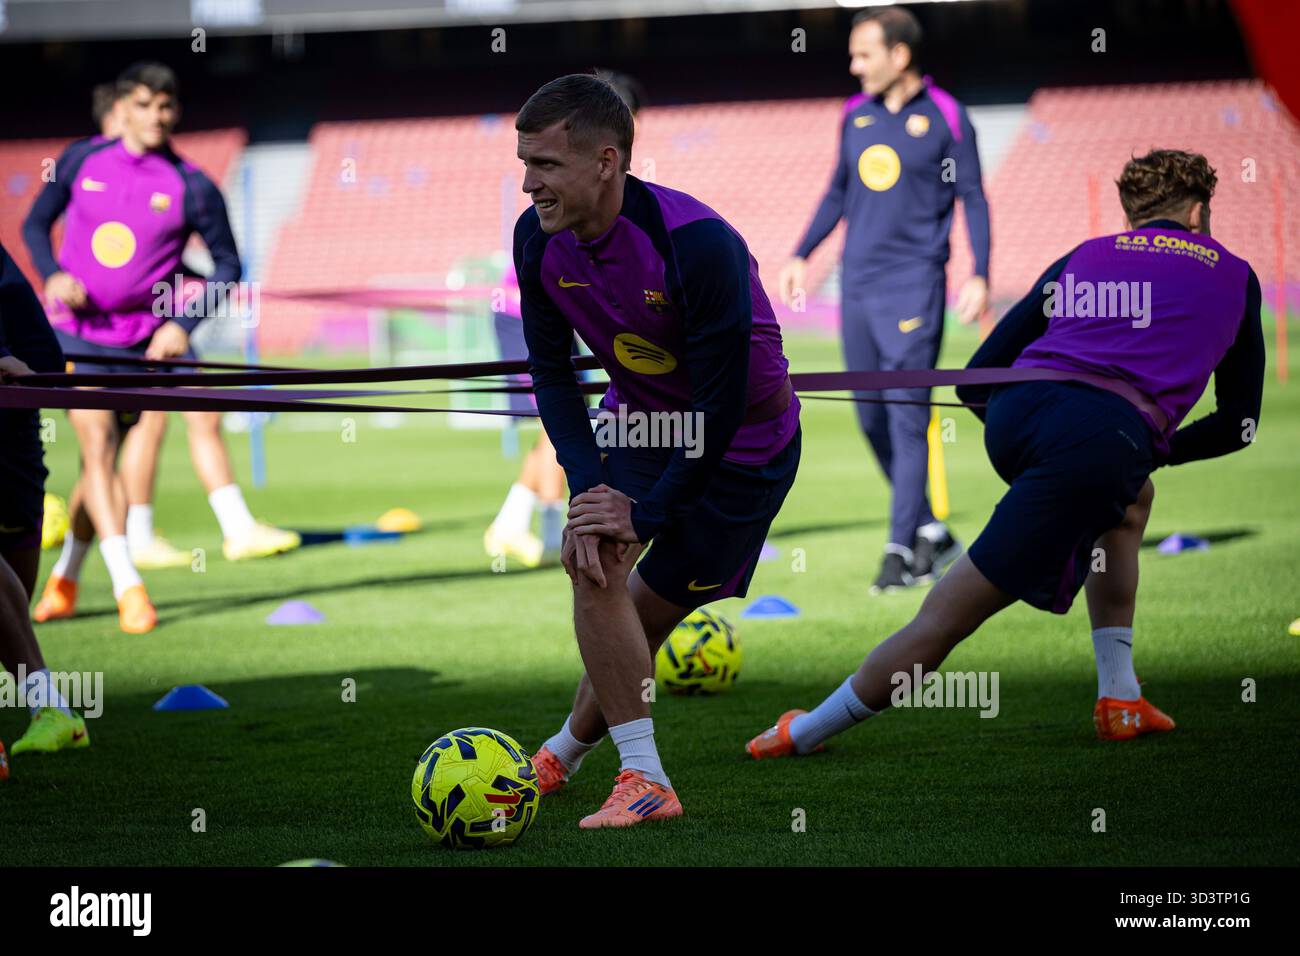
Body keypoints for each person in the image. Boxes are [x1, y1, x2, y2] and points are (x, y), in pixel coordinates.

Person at [747, 149, 1263, 759]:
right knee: (947, 616)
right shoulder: (1235, 273)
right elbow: (1239, 424)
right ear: (1200, 211)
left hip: (1018, 412)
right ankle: (805, 734)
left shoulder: (1089, 254)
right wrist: (1140, 448)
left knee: (1128, 503)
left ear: (1133, 215)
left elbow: (974, 379)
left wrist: (1051, 436)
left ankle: (1121, 698)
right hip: (1098, 439)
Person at [515, 74, 801, 828]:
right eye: (524, 163)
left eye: (544, 165)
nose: (527, 183)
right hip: (641, 421)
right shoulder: (534, 240)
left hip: (742, 446)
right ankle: (643, 778)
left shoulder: (697, 244)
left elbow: (718, 404)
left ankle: (564, 753)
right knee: (594, 558)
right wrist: (589, 491)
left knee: (645, 614)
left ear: (605, 161)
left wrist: (649, 511)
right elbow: (551, 372)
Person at [22, 62, 300, 634]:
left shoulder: (192, 184)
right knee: (96, 446)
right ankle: (129, 587)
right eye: (145, 104)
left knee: (99, 465)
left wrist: (183, 324)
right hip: (77, 335)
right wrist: (50, 274)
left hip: (146, 345)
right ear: (122, 108)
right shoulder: (79, 160)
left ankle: (67, 576)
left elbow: (229, 266)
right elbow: (33, 225)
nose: (156, 115)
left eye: (166, 106)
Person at [778, 5, 990, 593]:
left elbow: (973, 196)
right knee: (870, 416)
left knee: (905, 416)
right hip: (859, 285)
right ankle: (931, 531)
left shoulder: (947, 116)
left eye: (864, 53)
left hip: (915, 283)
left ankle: (899, 552)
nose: (854, 65)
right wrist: (803, 253)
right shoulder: (855, 115)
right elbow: (837, 191)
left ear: (899, 55)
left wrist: (980, 273)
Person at [485, 70, 646, 569]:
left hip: (554, 314)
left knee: (560, 420)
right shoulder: (551, 213)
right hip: (522, 313)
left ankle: (514, 521)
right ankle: (545, 521)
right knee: (558, 420)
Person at [0, 240, 92, 762]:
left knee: (14, 579)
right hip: (19, 396)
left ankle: (50, 706)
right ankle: (51, 707)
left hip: (13, 396)